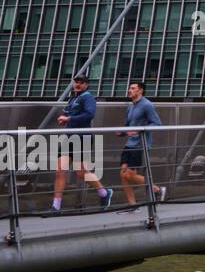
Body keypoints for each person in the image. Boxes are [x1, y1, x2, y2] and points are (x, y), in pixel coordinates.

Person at [52, 75, 112, 211]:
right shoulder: (73, 98)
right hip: (69, 138)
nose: (77, 84)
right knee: (60, 171)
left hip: (82, 138)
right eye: (76, 82)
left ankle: (104, 192)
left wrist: (69, 118)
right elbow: (69, 115)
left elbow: (90, 115)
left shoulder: (87, 97)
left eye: (81, 82)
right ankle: (56, 206)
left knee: (81, 172)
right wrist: (65, 120)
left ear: (86, 85)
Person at [117, 81, 166, 211]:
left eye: (133, 88)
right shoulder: (131, 106)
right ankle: (133, 205)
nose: (129, 90)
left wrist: (139, 130)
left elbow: (157, 123)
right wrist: (121, 132)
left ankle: (157, 189)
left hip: (140, 144)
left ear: (140, 91)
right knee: (123, 174)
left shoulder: (147, 105)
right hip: (129, 144)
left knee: (129, 175)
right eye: (129, 88)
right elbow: (128, 126)